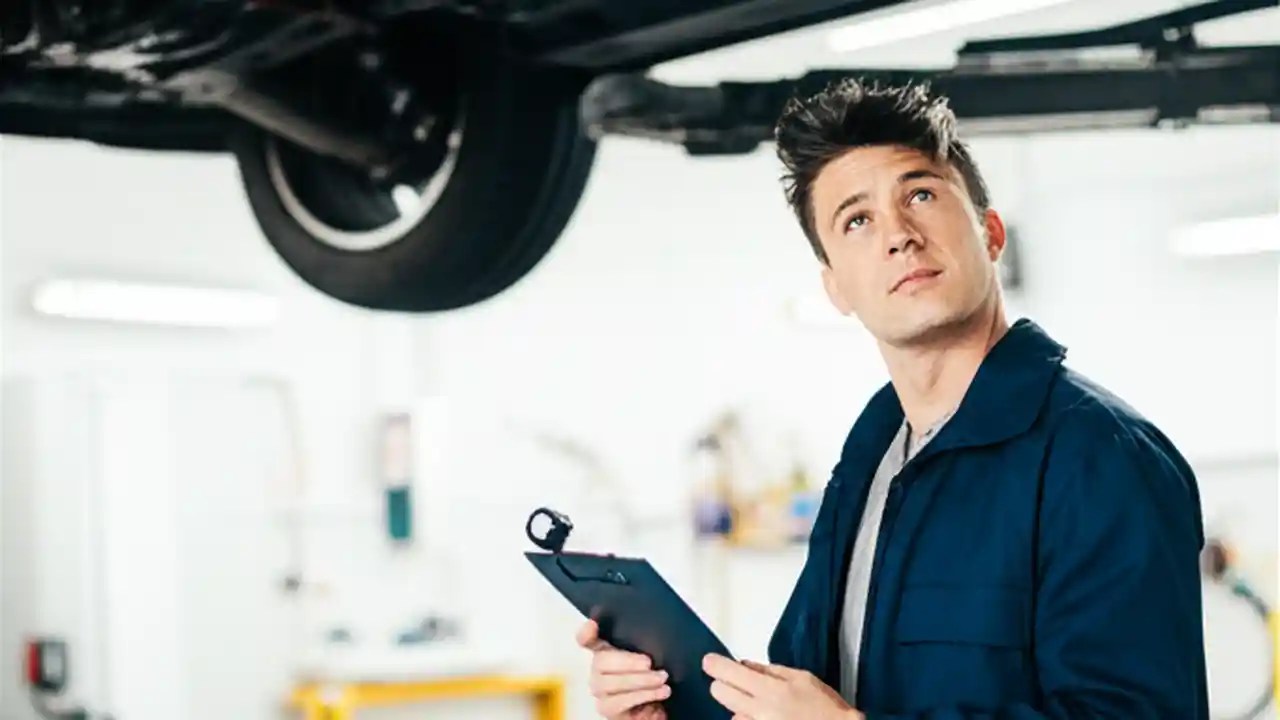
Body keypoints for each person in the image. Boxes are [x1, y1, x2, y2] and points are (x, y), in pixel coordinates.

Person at [576, 78, 1209, 719]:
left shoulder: (1100, 456)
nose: (898, 234)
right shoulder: (874, 456)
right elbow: (811, 692)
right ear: (836, 287)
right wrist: (673, 707)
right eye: (857, 220)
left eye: (922, 194)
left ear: (991, 234)